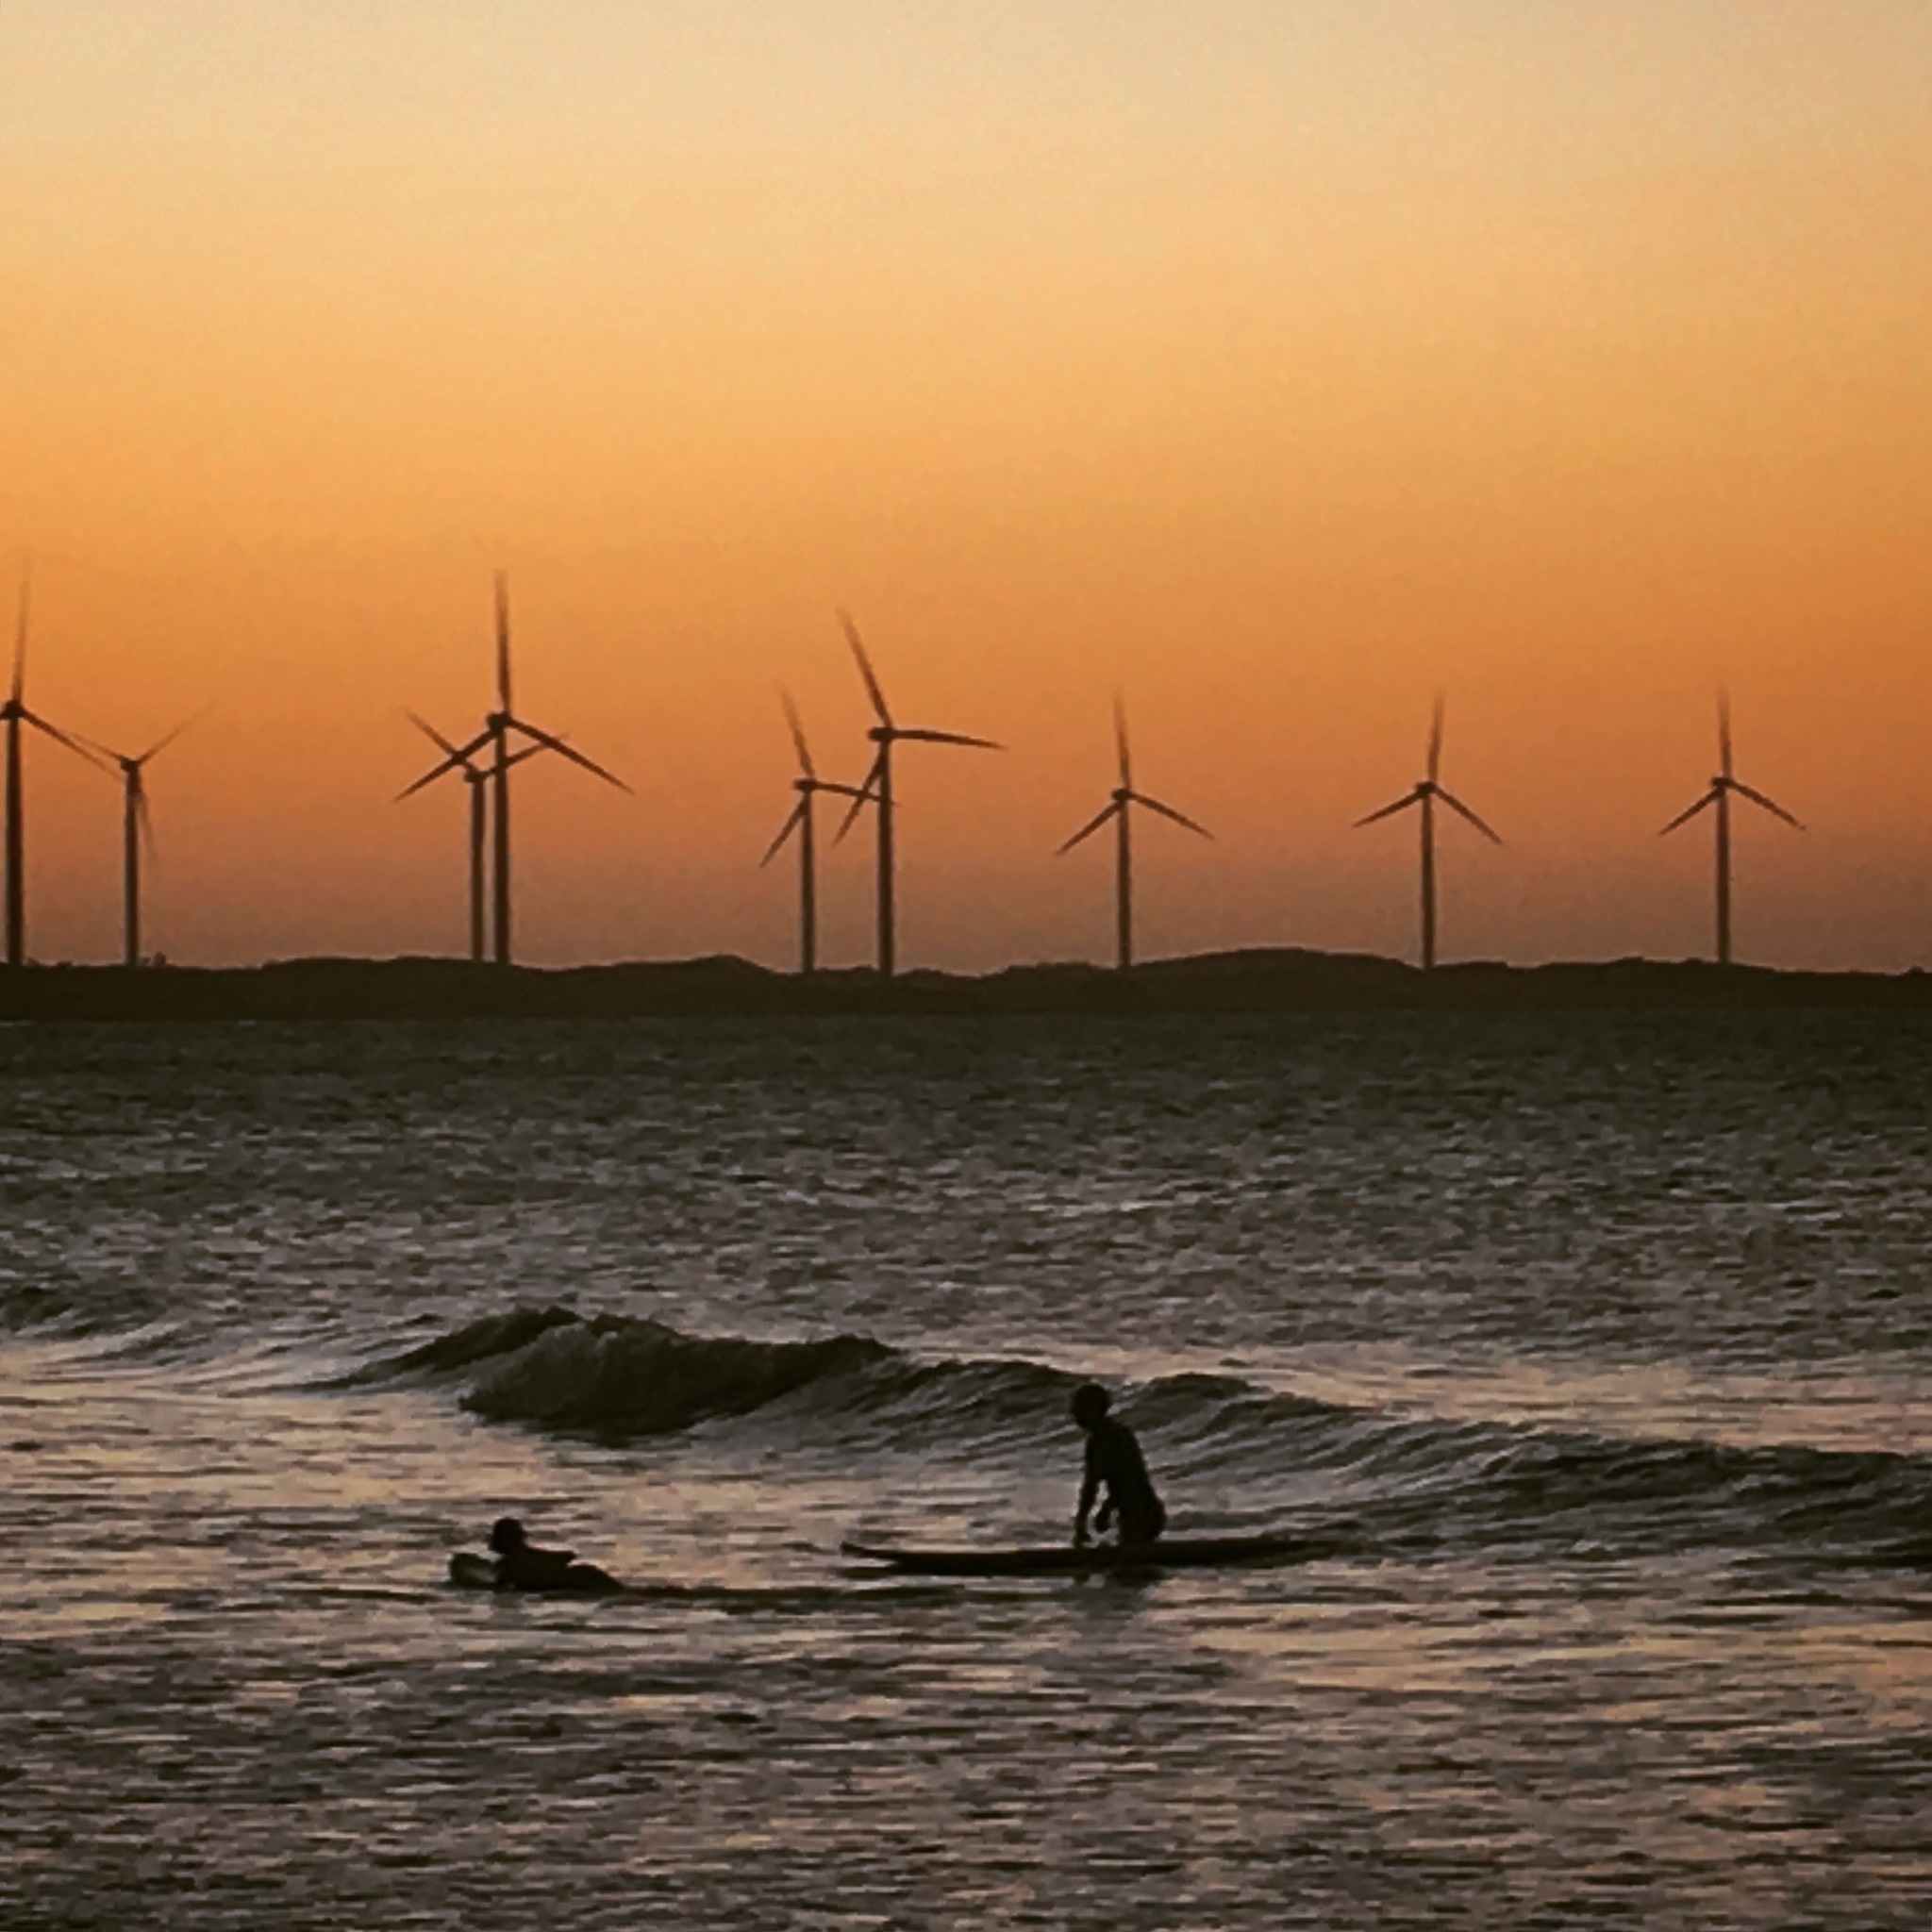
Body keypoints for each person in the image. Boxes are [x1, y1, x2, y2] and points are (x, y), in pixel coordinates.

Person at [1071, 1383, 1166, 1548]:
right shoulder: (1108, 1437)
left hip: (1142, 1514)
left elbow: (1128, 1482)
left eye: (1078, 1406)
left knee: (1128, 1564)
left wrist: (1103, 1511)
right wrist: (1085, 1520)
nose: (1073, 1412)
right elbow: (1093, 1486)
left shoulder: (1109, 1440)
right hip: (1139, 1512)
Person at [486, 1517, 623, 1593]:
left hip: (569, 1580)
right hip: (567, 1581)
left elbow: (566, 1556)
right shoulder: (510, 1564)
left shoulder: (508, 1565)